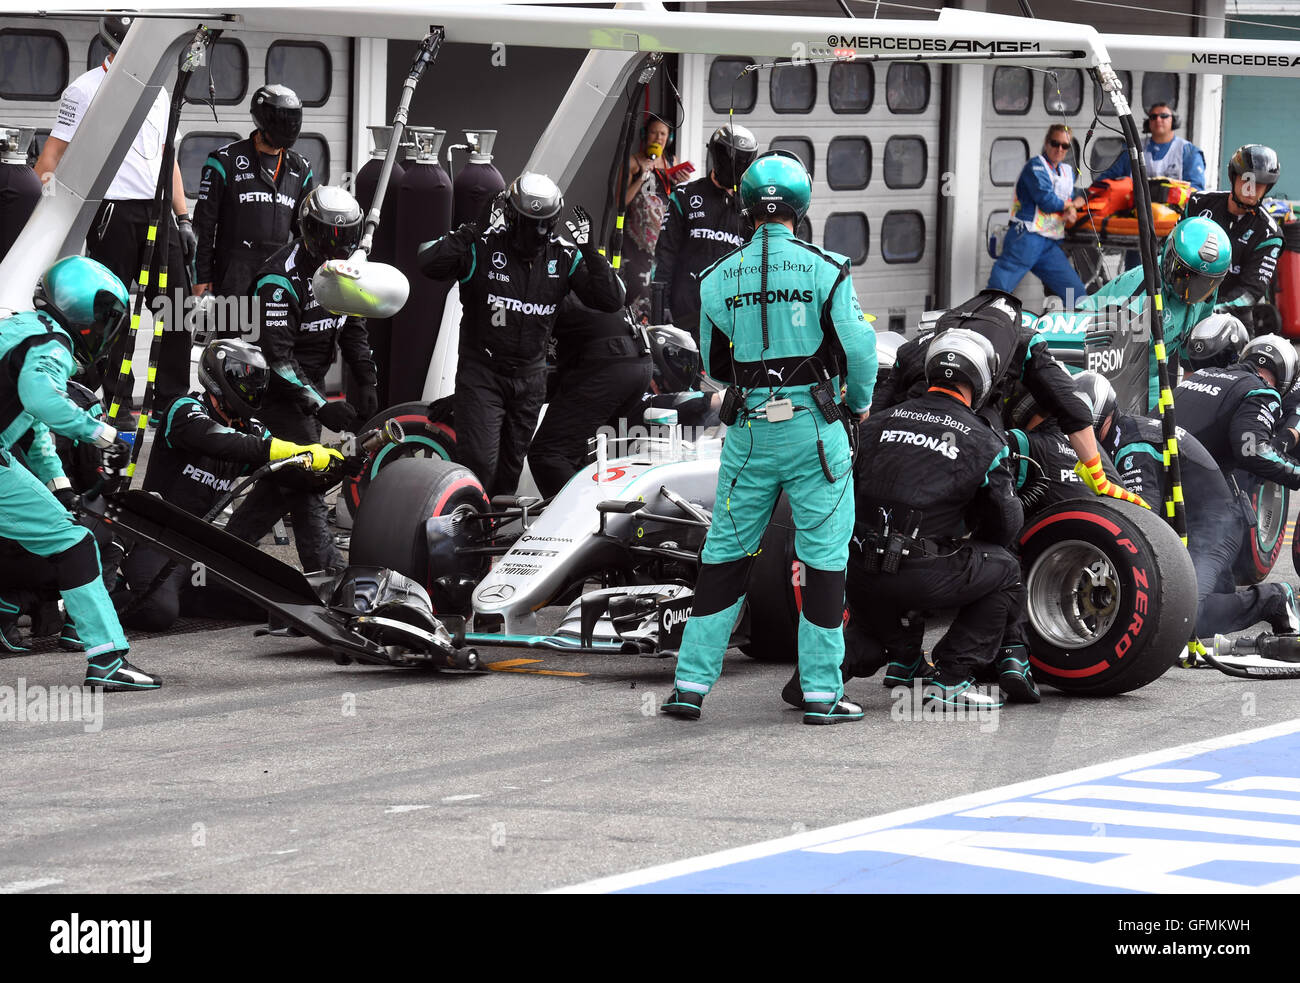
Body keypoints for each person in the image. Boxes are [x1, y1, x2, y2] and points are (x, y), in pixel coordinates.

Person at [659, 150, 877, 725]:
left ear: (747, 208)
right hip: (816, 430)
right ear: (801, 208)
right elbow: (860, 352)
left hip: (749, 430)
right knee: (824, 560)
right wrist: (854, 409)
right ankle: (822, 696)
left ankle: (689, 686)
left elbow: (713, 363)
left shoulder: (713, 279)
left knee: (724, 558)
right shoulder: (827, 267)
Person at [0, 256, 158, 690]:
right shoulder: (52, 344)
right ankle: (107, 659)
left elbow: (31, 431)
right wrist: (105, 435)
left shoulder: (20, 329)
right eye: (103, 318)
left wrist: (62, 489)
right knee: (75, 544)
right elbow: (43, 400)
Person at [417, 172, 625, 499]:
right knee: (481, 464)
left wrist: (590, 250)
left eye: (547, 223)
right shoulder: (482, 246)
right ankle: (460, 525)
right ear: (513, 216)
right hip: (482, 371)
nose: (539, 232)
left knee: (508, 473)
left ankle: (491, 542)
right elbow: (427, 262)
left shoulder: (565, 256)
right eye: (531, 222)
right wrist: (471, 230)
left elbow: (611, 299)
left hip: (530, 379)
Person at [851, 329, 1029, 709]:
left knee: (864, 639)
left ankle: (817, 679)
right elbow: (1006, 526)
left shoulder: (874, 424)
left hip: (859, 570)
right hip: (922, 574)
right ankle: (951, 677)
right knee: (1006, 571)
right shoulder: (984, 441)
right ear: (981, 380)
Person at [117, 339, 342, 630]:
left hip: (206, 548)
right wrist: (289, 449)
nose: (255, 388)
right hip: (159, 538)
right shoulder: (183, 409)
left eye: (259, 381)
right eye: (247, 379)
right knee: (157, 613)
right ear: (220, 376)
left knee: (277, 605)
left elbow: (284, 470)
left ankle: (330, 576)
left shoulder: (250, 426)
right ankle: (109, 592)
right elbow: (218, 440)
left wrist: (336, 464)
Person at [33, 15, 196, 405]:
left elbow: (165, 157)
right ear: (111, 47)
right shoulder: (84, 90)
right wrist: (45, 212)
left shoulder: (158, 92)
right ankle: (115, 399)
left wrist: (183, 216)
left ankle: (173, 401)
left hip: (157, 212)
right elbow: (52, 154)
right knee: (112, 311)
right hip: (111, 214)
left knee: (177, 307)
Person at [1079, 370, 1298, 640]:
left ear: (1105, 417)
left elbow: (1140, 521)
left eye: (1085, 430)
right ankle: (1218, 593)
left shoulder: (1133, 446)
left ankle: (1274, 599)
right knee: (1193, 607)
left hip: (1214, 530)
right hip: (1190, 529)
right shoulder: (1124, 431)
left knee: (1181, 618)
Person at [874, 289, 1141, 511]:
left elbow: (872, 418)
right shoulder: (1024, 344)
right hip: (956, 420)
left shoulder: (910, 348)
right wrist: (1100, 479)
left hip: (910, 428)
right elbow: (1073, 408)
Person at [225, 185, 373, 574]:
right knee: (309, 472)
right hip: (269, 389)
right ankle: (328, 573)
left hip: (310, 383)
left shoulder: (345, 268)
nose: (338, 247)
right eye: (330, 238)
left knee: (284, 481)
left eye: (347, 238)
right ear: (309, 231)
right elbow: (277, 359)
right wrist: (322, 408)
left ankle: (222, 555)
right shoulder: (278, 280)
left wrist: (367, 377)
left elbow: (353, 322)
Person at [1061, 216, 1231, 412]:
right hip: (1095, 363)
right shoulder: (1139, 302)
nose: (1191, 293)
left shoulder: (1207, 290)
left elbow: (1192, 353)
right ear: (1168, 256)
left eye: (1203, 284)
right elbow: (1110, 372)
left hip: (1149, 368)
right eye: (1184, 277)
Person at [192, 84, 315, 307]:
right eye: (282, 119)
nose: (289, 125)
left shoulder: (301, 168)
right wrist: (201, 275)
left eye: (293, 118)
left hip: (278, 274)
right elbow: (204, 226)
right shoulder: (224, 161)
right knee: (232, 340)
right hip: (233, 274)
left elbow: (305, 231)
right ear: (263, 119)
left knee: (272, 341)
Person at [527, 296, 652, 499]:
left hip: (608, 362)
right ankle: (603, 511)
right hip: (638, 361)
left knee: (549, 455)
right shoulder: (585, 277)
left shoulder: (545, 281)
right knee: (577, 453)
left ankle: (577, 522)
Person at [652, 123, 757, 340]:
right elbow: (665, 256)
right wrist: (659, 310)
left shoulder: (752, 208)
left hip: (730, 320)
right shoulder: (685, 196)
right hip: (684, 316)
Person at [1175, 333, 1300, 499]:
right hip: (1184, 475)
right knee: (1229, 519)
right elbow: (1251, 450)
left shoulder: (1203, 373)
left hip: (1148, 455)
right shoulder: (1262, 392)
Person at [987, 123, 1088, 304]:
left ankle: (1077, 330)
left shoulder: (1067, 172)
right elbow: (1047, 201)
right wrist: (1071, 205)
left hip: (1049, 243)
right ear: (1046, 143)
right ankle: (982, 325)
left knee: (1076, 293)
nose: (1059, 149)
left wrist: (1072, 207)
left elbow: (1074, 196)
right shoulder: (1036, 166)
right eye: (1055, 143)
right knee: (998, 293)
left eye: (1065, 145)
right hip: (1026, 238)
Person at [1185, 145, 1283, 329]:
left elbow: (1250, 293)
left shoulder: (1270, 233)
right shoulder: (1198, 203)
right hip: (1181, 305)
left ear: (1267, 188)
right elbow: (1167, 253)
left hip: (1229, 320)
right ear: (1234, 177)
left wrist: (1208, 311)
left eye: (1259, 184)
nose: (1251, 189)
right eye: (1247, 179)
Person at [621, 114, 676, 321]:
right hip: (636, 247)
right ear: (645, 135)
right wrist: (643, 176)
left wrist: (678, 181)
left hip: (661, 245)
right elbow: (619, 201)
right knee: (636, 295)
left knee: (659, 296)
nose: (658, 137)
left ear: (669, 138)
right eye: (654, 132)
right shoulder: (633, 162)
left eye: (663, 133)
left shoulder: (671, 162)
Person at [1096, 101, 1207, 191]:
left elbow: (1196, 189)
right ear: (1148, 123)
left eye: (1164, 116)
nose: (1158, 120)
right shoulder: (1133, 148)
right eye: (1153, 117)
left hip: (1175, 213)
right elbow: (1108, 177)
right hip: (1135, 210)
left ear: (1174, 121)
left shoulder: (1189, 152)